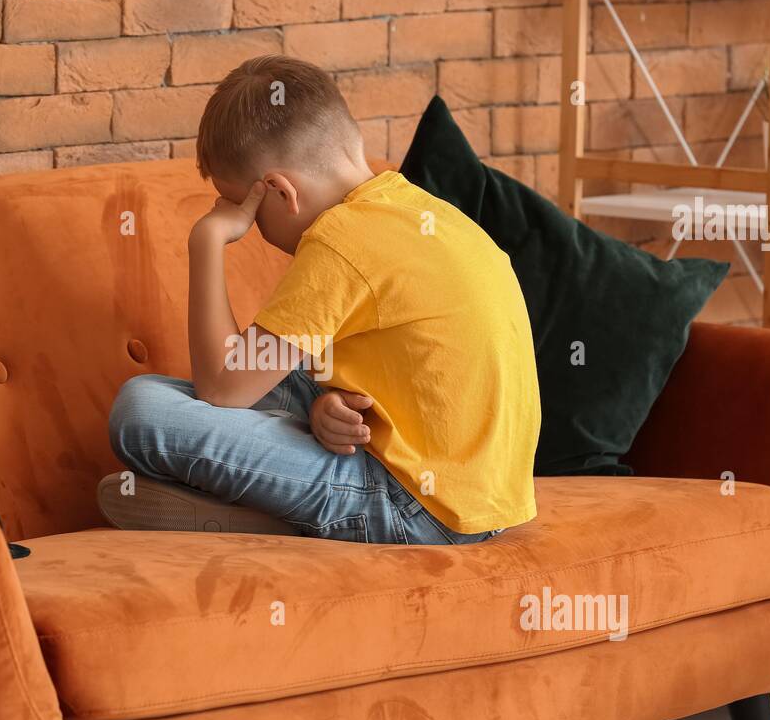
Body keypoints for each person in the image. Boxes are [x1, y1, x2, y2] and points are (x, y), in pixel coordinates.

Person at [98, 55, 540, 546]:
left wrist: (206, 241)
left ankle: (279, 524)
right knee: (217, 385)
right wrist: (321, 410)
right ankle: (278, 508)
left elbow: (222, 387)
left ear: (281, 193)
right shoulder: (424, 212)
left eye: (240, 206)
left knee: (141, 411)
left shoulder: (341, 240)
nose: (244, 225)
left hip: (419, 513)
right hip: (484, 503)